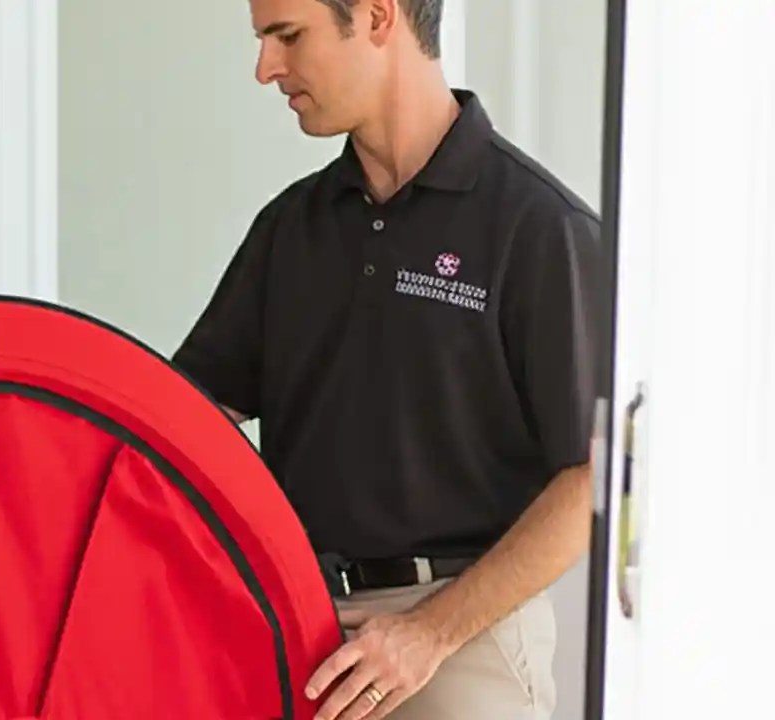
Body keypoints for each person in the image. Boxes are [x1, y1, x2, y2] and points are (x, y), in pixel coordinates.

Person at [170, 0, 609, 718]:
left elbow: (592, 478)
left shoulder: (540, 229)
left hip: (461, 641)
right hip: (298, 628)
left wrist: (430, 632)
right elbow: (187, 420)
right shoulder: (291, 228)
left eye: (288, 36)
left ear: (378, 17)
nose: (266, 68)